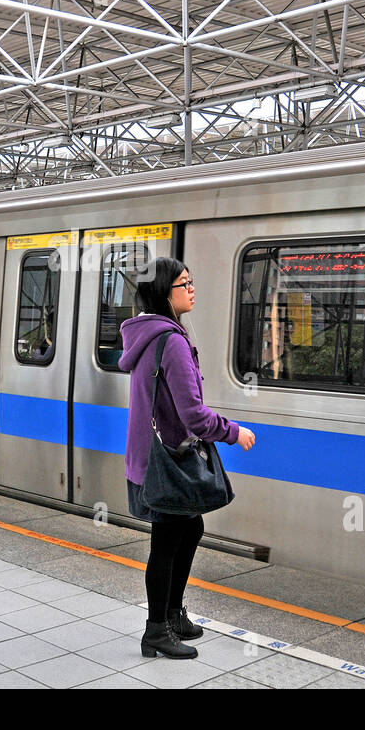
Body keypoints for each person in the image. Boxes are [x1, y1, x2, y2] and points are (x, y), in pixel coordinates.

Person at [118, 258, 256, 660]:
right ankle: (156, 631)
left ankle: (173, 616)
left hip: (150, 458)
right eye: (185, 283)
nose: (192, 289)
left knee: (188, 529)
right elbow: (193, 414)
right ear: (166, 294)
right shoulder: (172, 341)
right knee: (166, 543)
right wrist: (234, 432)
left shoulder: (146, 336)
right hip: (166, 463)